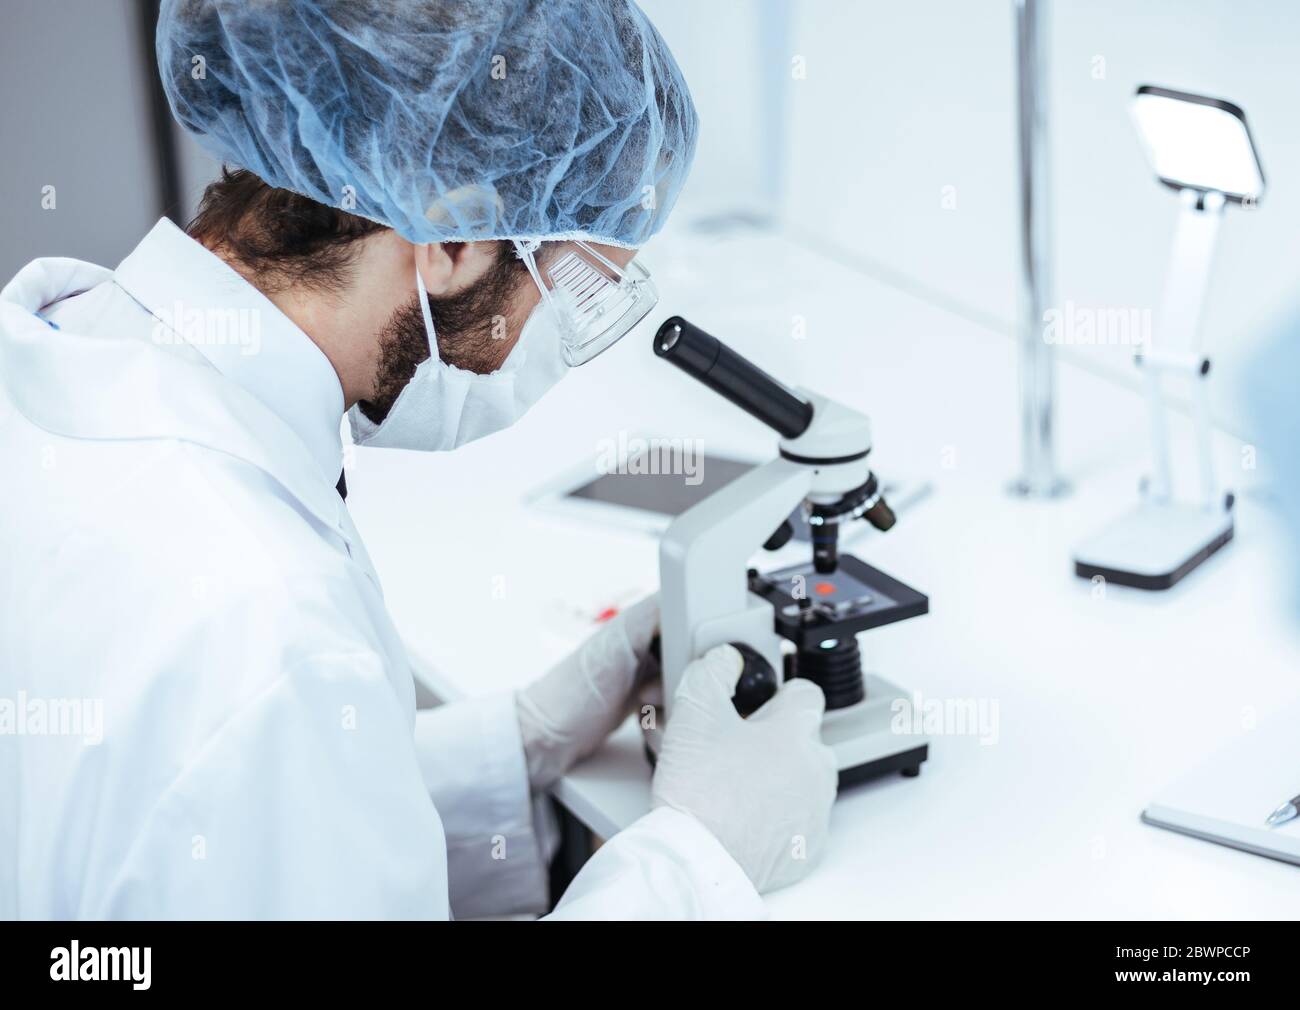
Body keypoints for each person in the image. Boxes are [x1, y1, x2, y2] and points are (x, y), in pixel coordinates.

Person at [0, 0, 836, 919]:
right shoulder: (269, 630)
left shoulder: (62, 359)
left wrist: (517, 745)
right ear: (453, 240)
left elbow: (234, 836)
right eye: (576, 288)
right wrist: (698, 858)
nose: (547, 342)